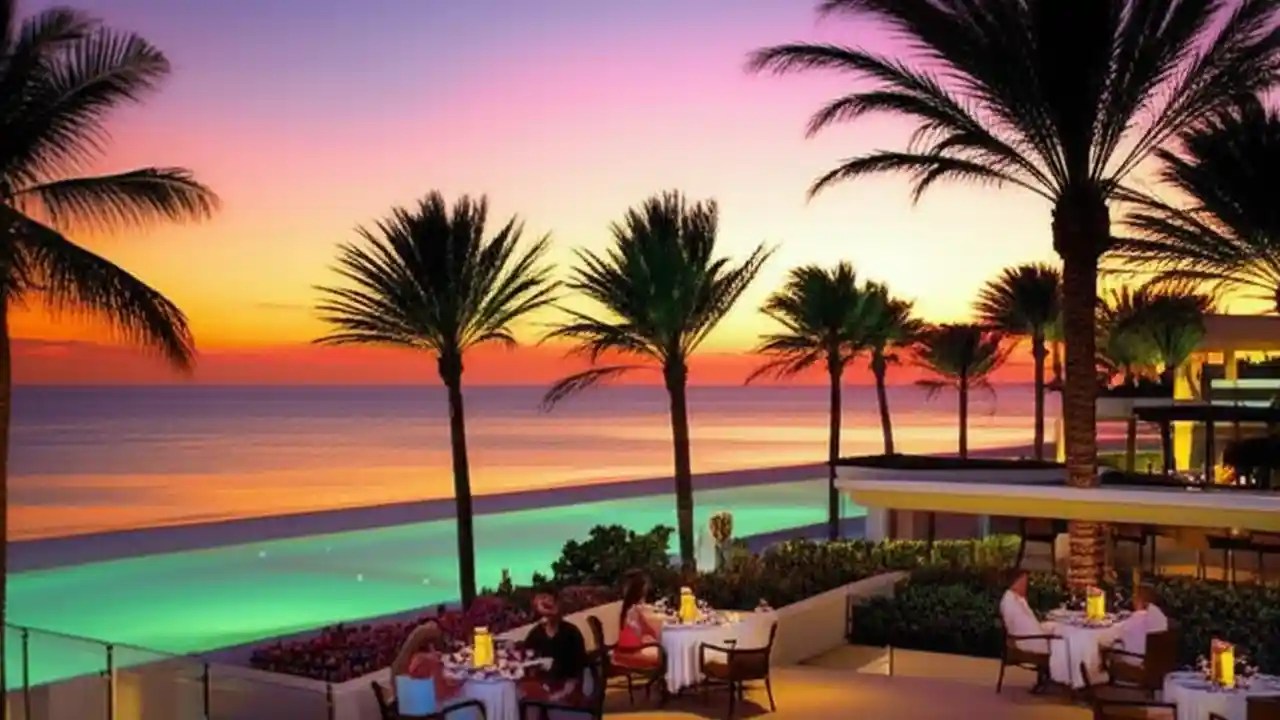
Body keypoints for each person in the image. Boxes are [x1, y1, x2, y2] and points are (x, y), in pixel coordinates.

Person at [522, 592, 588, 705]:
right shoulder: (535, 635)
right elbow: (527, 663)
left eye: (550, 602)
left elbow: (577, 673)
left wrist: (561, 694)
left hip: (567, 693)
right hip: (542, 689)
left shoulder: (571, 633)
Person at [1104, 584, 1169, 663]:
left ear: (1139, 599)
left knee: (1105, 649)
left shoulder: (1137, 618)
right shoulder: (1160, 616)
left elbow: (1110, 637)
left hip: (1137, 662)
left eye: (1135, 597)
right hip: (1157, 663)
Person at [999, 569, 1057, 653]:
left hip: (1034, 638)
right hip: (1031, 643)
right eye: (1024, 582)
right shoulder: (1011, 601)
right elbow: (1024, 627)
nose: (1026, 586)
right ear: (1016, 582)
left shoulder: (1017, 600)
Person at [614, 570, 663, 667]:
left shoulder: (629, 607)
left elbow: (648, 629)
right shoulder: (637, 609)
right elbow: (652, 629)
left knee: (664, 650)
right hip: (631, 651)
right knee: (666, 654)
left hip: (628, 649)